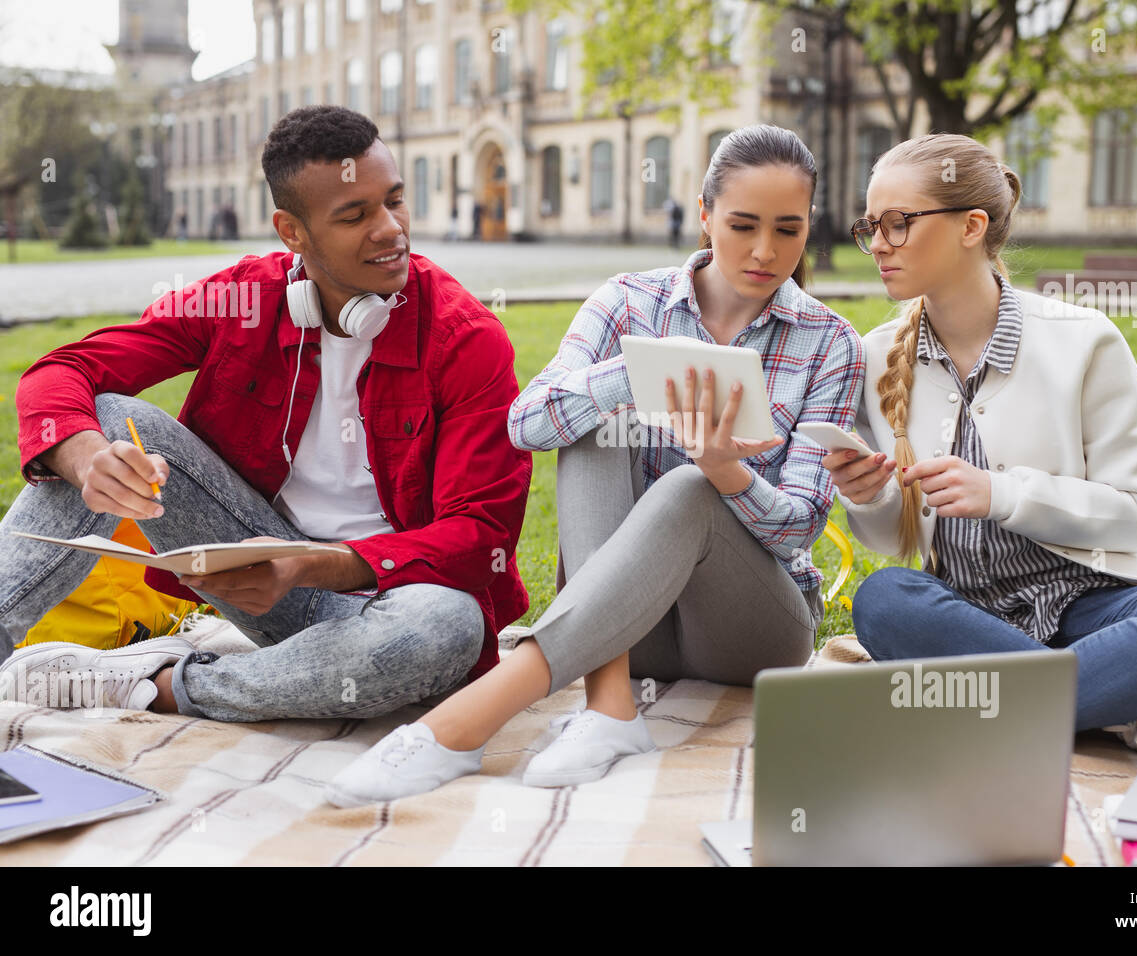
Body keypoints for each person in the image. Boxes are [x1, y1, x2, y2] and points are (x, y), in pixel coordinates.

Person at [325, 124, 866, 807]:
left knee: (694, 484)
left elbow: (798, 532)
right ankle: (610, 709)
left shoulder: (831, 344)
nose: (765, 251)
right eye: (743, 225)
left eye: (788, 230)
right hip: (631, 631)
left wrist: (728, 471)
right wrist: (637, 374)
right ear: (703, 215)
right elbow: (527, 424)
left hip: (752, 633)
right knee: (587, 423)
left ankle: (462, 726)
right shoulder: (628, 301)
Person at [0, 106, 531, 725]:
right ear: (293, 232)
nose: (391, 230)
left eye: (394, 201)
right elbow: (63, 370)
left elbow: (480, 534)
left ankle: (153, 686)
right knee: (104, 420)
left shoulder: (465, 338)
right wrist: (83, 454)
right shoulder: (244, 298)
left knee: (449, 626)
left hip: (383, 603)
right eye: (355, 215)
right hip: (250, 571)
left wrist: (311, 563)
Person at [825, 132, 1137, 777]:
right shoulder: (875, 354)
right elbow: (899, 544)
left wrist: (1004, 495)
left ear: (972, 226)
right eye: (871, 225)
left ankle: (1014, 704)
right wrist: (871, 498)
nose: (879, 244)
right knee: (886, 599)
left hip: (1097, 608)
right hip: (968, 616)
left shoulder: (1084, 341)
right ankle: (1131, 713)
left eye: (899, 223)